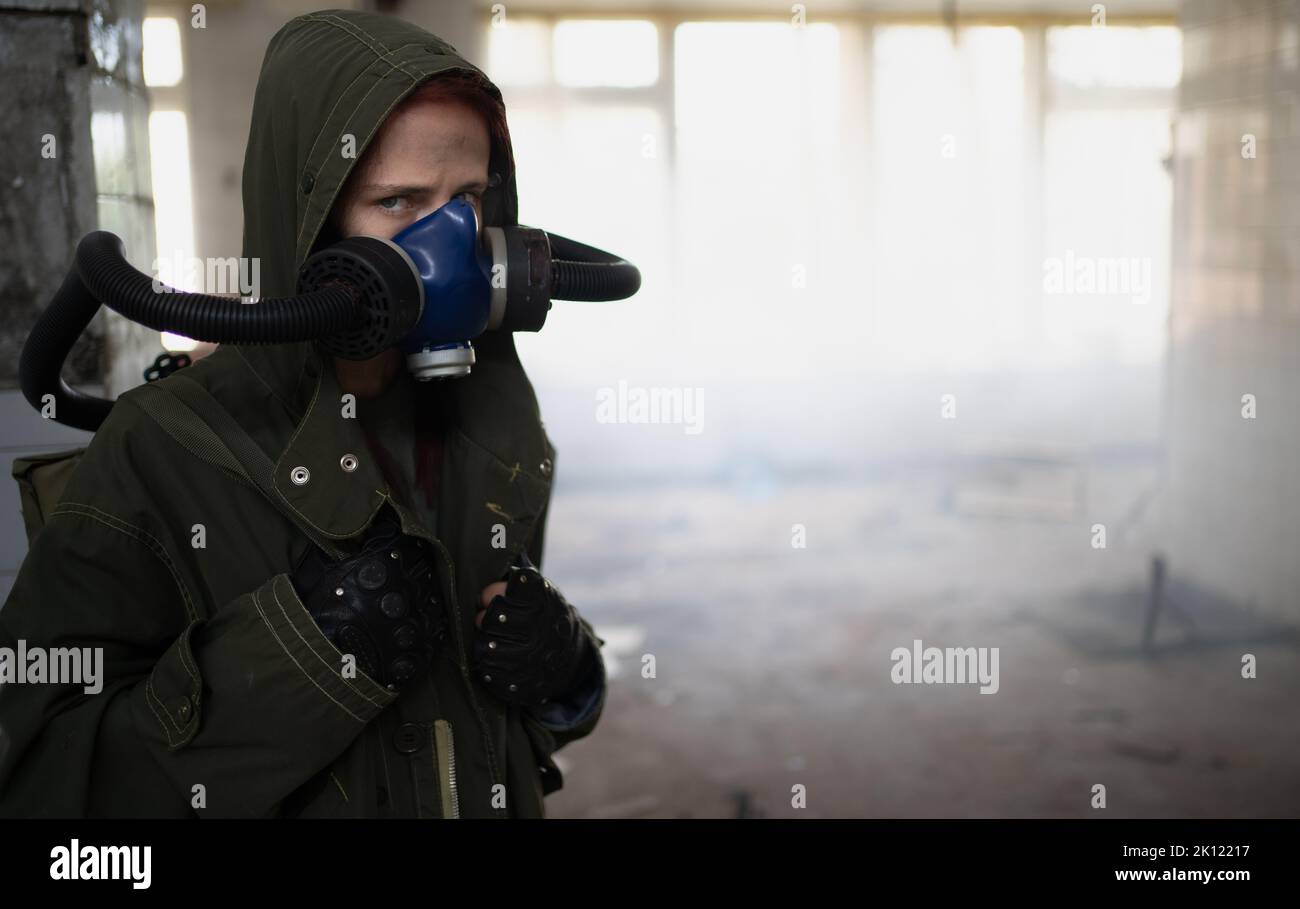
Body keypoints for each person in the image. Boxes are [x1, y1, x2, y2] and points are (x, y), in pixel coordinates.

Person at [0, 8, 605, 818]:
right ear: (309, 226)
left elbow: (479, 729)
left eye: (468, 198)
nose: (455, 245)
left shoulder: (490, 425)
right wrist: (300, 660)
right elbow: (39, 780)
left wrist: (567, 673)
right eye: (398, 202)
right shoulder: (159, 448)